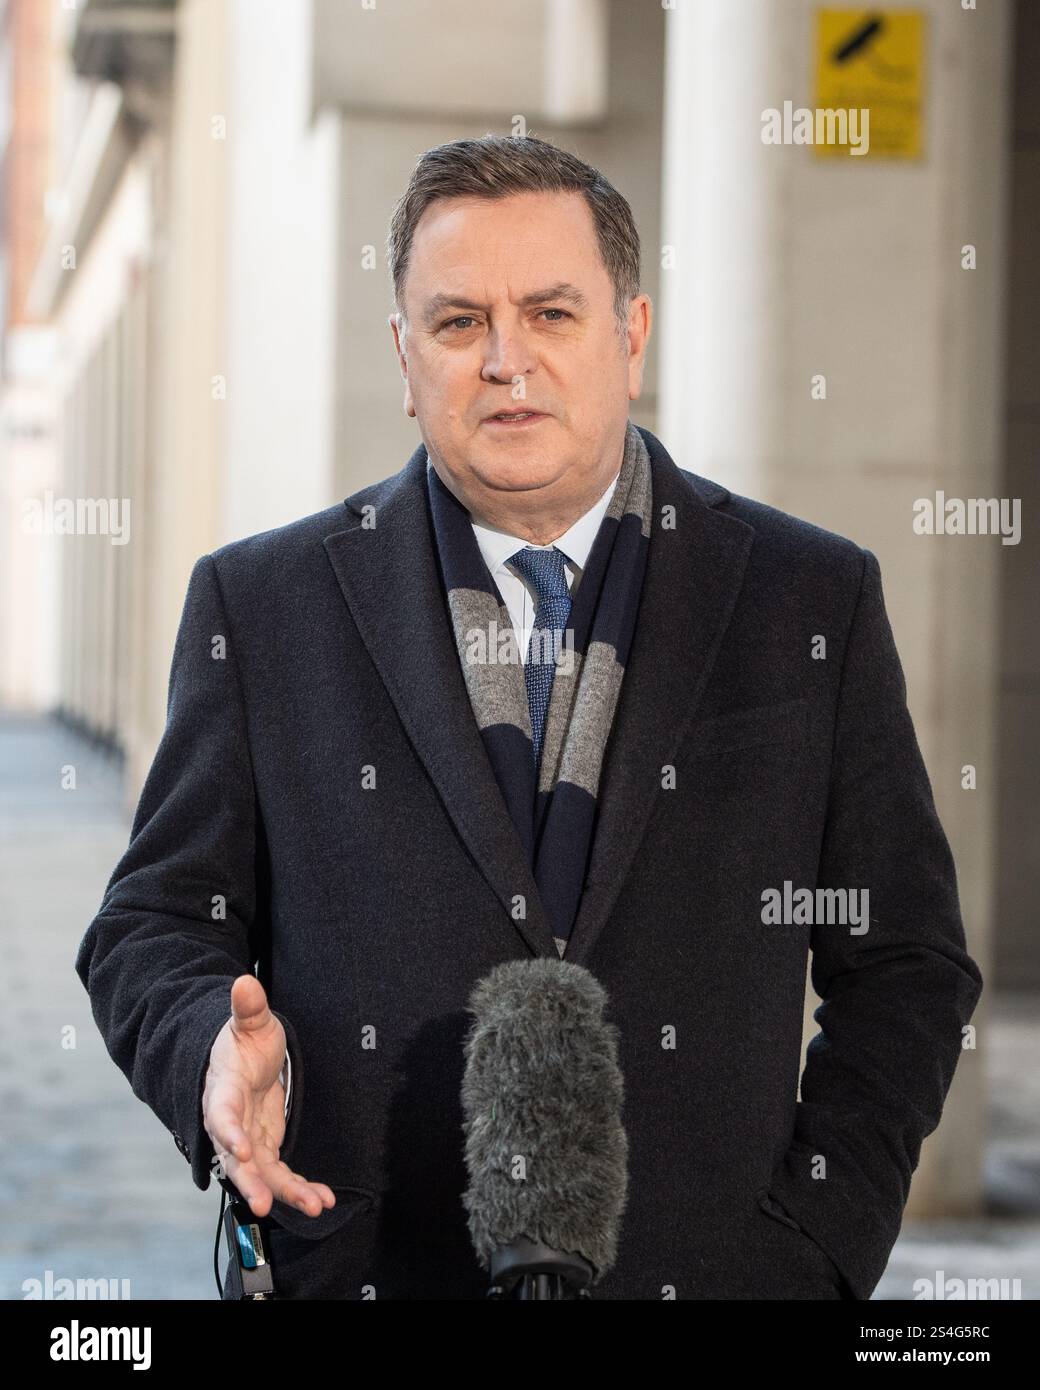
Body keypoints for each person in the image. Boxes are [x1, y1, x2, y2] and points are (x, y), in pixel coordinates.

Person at [75, 134, 983, 1300]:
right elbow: (151, 921)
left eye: (551, 312)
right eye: (458, 324)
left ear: (630, 337)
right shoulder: (262, 607)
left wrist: (813, 1244)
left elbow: (906, 961)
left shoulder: (806, 597)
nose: (506, 361)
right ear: (404, 360)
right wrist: (203, 1043)